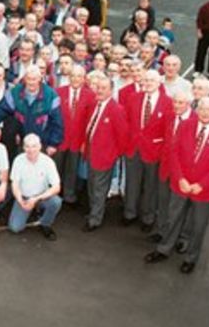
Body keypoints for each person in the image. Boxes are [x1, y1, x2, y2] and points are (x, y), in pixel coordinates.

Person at [144, 97, 209, 274]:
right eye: (202, 108)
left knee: (198, 226)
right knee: (173, 218)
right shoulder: (186, 125)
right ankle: (164, 249)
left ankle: (191, 258)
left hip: (205, 191)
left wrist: (201, 185)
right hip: (181, 184)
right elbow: (174, 152)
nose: (205, 112)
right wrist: (180, 178)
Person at [123, 70, 172, 231]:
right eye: (146, 80)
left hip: (154, 150)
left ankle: (148, 217)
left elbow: (168, 130)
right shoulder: (133, 98)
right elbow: (127, 122)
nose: (148, 83)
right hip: (133, 148)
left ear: (159, 83)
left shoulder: (168, 102)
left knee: (151, 186)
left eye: (152, 80)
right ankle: (129, 213)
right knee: (132, 183)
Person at [83, 75, 129, 231]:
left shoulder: (116, 110)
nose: (99, 91)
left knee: (99, 189)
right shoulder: (95, 105)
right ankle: (93, 213)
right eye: (98, 87)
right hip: (91, 153)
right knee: (91, 186)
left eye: (104, 88)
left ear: (111, 90)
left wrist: (113, 154)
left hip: (104, 157)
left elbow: (123, 136)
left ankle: (95, 220)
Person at [151, 91, 195, 242]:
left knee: (180, 207)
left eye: (180, 103)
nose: (176, 105)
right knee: (163, 201)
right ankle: (162, 230)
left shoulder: (195, 121)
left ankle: (181, 237)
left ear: (188, 104)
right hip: (166, 167)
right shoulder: (169, 116)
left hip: (183, 173)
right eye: (175, 102)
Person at [0, 68, 64, 156]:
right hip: (21, 143)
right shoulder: (14, 92)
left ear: (40, 79)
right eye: (28, 79)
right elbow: (0, 111)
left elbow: (57, 122)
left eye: (34, 79)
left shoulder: (51, 95)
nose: (31, 82)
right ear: (24, 79)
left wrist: (53, 144)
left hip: (42, 144)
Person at [8, 133, 62, 239]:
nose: (31, 150)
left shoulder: (48, 162)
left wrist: (36, 199)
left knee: (56, 202)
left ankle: (45, 223)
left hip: (42, 196)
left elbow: (57, 187)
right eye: (27, 146)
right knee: (15, 228)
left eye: (34, 146)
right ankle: (31, 211)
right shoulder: (18, 160)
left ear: (40, 146)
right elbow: (14, 184)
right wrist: (20, 200)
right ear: (23, 147)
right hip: (24, 197)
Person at [54, 65, 95, 205]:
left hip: (78, 140)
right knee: (56, 168)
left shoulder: (90, 96)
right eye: (73, 76)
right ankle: (54, 194)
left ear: (84, 79)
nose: (76, 79)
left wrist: (85, 142)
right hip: (60, 139)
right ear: (68, 77)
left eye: (79, 76)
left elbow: (90, 121)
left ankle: (69, 196)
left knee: (72, 170)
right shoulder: (58, 92)